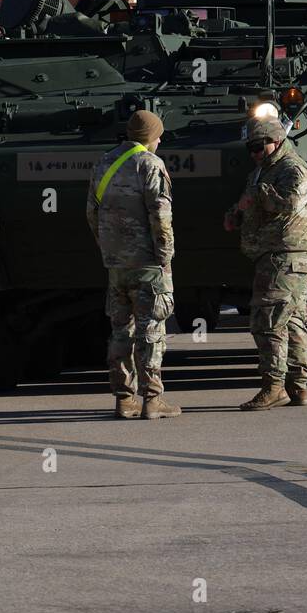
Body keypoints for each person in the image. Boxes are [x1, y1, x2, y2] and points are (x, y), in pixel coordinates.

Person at [86, 110, 180, 418]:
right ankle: (152, 400)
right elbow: (161, 218)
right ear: (154, 138)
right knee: (150, 329)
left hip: (116, 264)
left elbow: (91, 213)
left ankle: (123, 399)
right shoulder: (150, 164)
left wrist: (109, 249)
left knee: (120, 331)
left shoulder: (104, 163)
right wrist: (164, 258)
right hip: (148, 264)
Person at [224, 117, 307, 409]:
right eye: (250, 148)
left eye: (259, 146)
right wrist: (235, 214)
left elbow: (289, 204)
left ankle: (274, 386)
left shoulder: (294, 169)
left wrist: (258, 195)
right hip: (273, 255)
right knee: (291, 322)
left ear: (276, 141)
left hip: (288, 256)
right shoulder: (262, 171)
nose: (254, 153)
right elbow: (247, 204)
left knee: (267, 322)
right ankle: (297, 388)